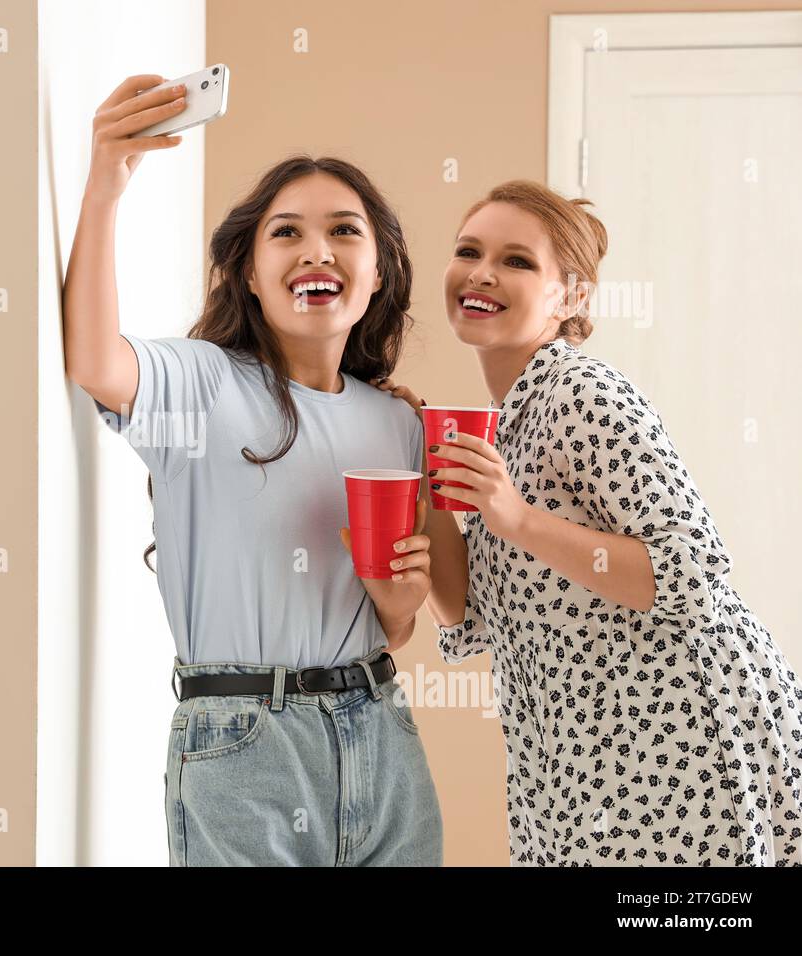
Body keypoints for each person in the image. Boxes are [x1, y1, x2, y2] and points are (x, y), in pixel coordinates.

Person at [63, 74, 442, 866]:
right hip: (243, 744)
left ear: (377, 273)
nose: (317, 250)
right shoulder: (201, 384)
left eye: (345, 231)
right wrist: (105, 184)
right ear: (247, 272)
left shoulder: (400, 426)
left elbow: (393, 625)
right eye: (286, 232)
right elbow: (94, 359)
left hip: (381, 733)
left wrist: (400, 607)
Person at [375, 179, 802, 865]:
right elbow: (467, 613)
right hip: (572, 762)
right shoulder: (508, 423)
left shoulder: (582, 393)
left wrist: (515, 517)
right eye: (469, 251)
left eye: (517, 261)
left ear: (571, 298)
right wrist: (418, 458)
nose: (481, 272)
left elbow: (693, 573)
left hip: (676, 751)